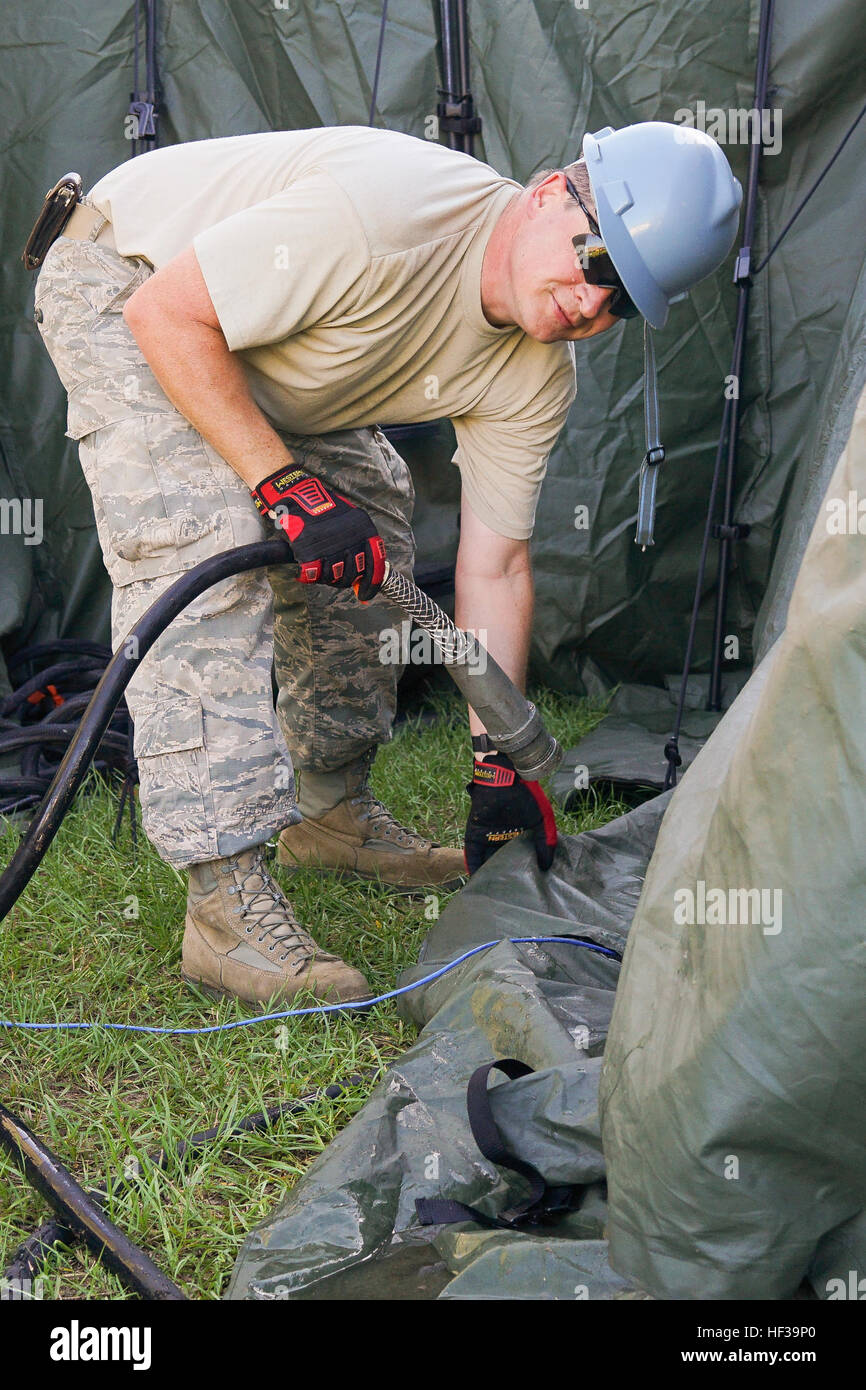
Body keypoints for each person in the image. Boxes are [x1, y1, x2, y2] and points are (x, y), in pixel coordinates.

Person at [31, 121, 741, 1006]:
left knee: (373, 540)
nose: (592, 306)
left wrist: (499, 769)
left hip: (261, 344)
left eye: (623, 302)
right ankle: (223, 902)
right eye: (598, 262)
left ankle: (330, 811)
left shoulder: (536, 370)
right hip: (128, 278)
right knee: (205, 534)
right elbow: (166, 315)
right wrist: (284, 486)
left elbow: (496, 568)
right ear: (550, 194)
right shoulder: (389, 220)